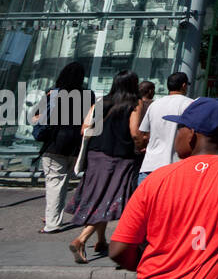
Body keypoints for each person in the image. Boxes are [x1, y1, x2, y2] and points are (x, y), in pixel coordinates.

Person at [108, 97, 218, 279]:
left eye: (179, 128)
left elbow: (118, 249)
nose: (176, 136)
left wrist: (142, 263)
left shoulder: (156, 179)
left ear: (191, 134)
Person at [67, 70, 141, 262]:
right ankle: (81, 239)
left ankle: (101, 240)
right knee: (109, 198)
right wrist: (142, 144)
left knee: (98, 195)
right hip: (119, 158)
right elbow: (134, 132)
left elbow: (84, 128)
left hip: (96, 154)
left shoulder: (100, 102)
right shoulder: (134, 104)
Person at [32, 61, 92, 233]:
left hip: (54, 145)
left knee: (55, 183)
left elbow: (36, 117)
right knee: (65, 183)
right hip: (77, 145)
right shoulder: (89, 95)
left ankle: (52, 223)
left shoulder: (54, 94)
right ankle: (58, 214)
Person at [136, 72, 192, 186]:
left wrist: (143, 145)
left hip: (149, 167)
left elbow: (143, 133)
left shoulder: (155, 104)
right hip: (174, 168)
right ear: (184, 85)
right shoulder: (190, 105)